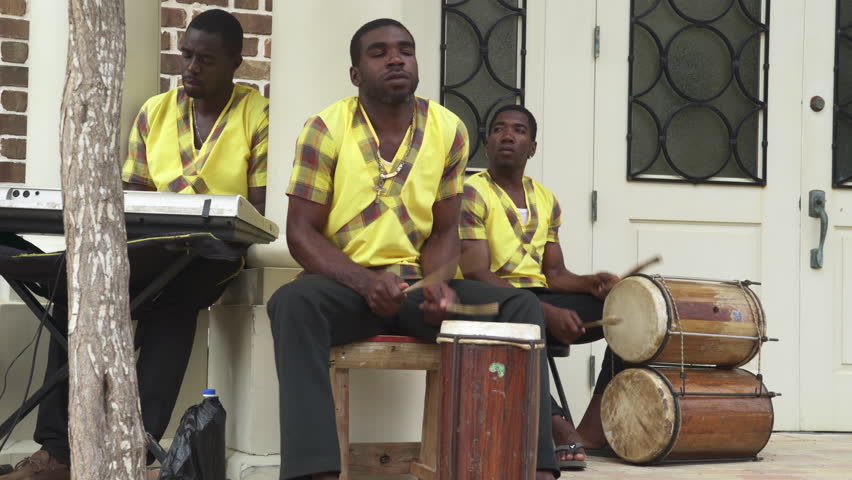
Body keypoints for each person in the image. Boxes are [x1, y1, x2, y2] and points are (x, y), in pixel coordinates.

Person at [268, 18, 560, 480]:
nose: (396, 59)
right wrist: (364, 282)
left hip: (415, 293)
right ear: (355, 74)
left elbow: (444, 231)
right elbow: (301, 233)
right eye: (379, 52)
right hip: (346, 290)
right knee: (291, 302)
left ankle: (534, 466)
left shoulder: (449, 130)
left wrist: (438, 287)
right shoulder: (324, 129)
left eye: (405, 50)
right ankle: (314, 472)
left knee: (521, 307)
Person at [1, 9, 268, 480]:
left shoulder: (259, 116)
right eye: (186, 55)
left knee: (174, 303)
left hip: (213, 257)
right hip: (150, 250)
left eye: (206, 60)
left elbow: (258, 212)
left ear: (235, 63)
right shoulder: (154, 112)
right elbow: (133, 200)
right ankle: (58, 453)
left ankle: (132, 452)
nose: (191, 67)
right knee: (76, 292)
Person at [459, 105, 623, 470]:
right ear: (487, 142)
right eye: (499, 129)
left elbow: (554, 272)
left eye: (519, 130)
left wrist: (591, 283)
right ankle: (556, 423)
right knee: (529, 315)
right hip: (492, 300)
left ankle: (593, 428)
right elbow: (476, 274)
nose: (507, 135)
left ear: (532, 148)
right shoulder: (471, 193)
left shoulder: (546, 199)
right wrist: (546, 312)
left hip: (538, 295)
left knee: (627, 316)